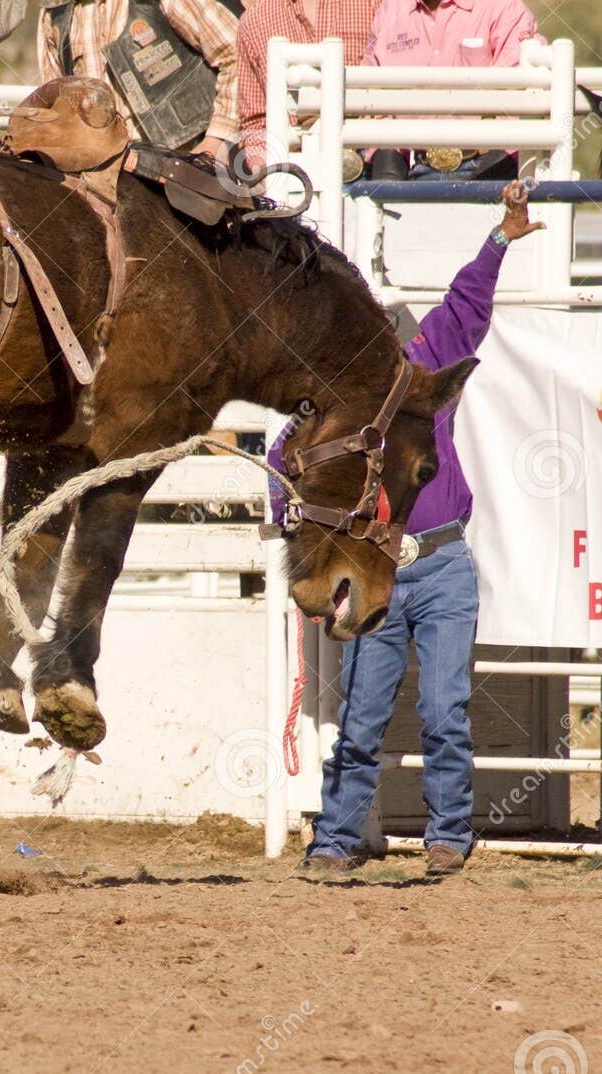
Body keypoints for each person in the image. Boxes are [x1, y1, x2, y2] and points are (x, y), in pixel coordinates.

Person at [277, 180, 544, 878]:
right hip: (383, 567)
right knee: (366, 715)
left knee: (443, 709)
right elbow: (287, 462)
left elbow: (465, 304)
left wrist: (498, 240)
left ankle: (442, 835)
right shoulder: (346, 400)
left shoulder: (420, 374)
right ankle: (339, 840)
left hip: (443, 562)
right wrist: (297, 522)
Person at [37, 0, 242, 160]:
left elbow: (236, 52)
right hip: (108, 177)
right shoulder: (55, 15)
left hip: (184, 162)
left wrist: (217, 140)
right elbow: (56, 108)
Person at [363, 0, 541, 181]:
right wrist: (388, 162)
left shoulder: (502, 7)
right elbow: (371, 93)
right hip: (417, 168)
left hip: (489, 165)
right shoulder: (390, 10)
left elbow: (520, 93)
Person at [235, 0, 377, 171]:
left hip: (368, 165)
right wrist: (269, 175)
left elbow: (396, 90)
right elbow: (256, 124)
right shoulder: (255, 21)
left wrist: (339, 112)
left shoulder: (376, 5)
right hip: (292, 173)